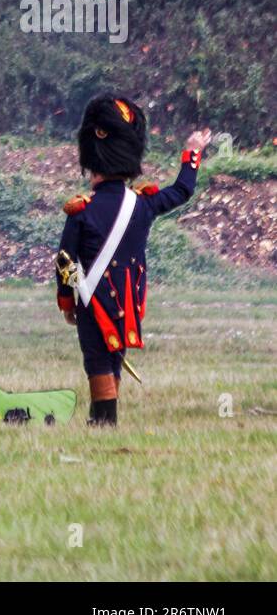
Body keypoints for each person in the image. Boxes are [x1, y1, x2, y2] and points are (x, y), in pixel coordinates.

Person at [55, 94, 210, 426]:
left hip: (91, 297)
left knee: (96, 358)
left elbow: (66, 260)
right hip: (128, 297)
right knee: (113, 354)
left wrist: (67, 300)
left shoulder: (81, 208)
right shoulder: (144, 204)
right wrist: (193, 151)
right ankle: (103, 418)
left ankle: (104, 420)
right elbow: (183, 189)